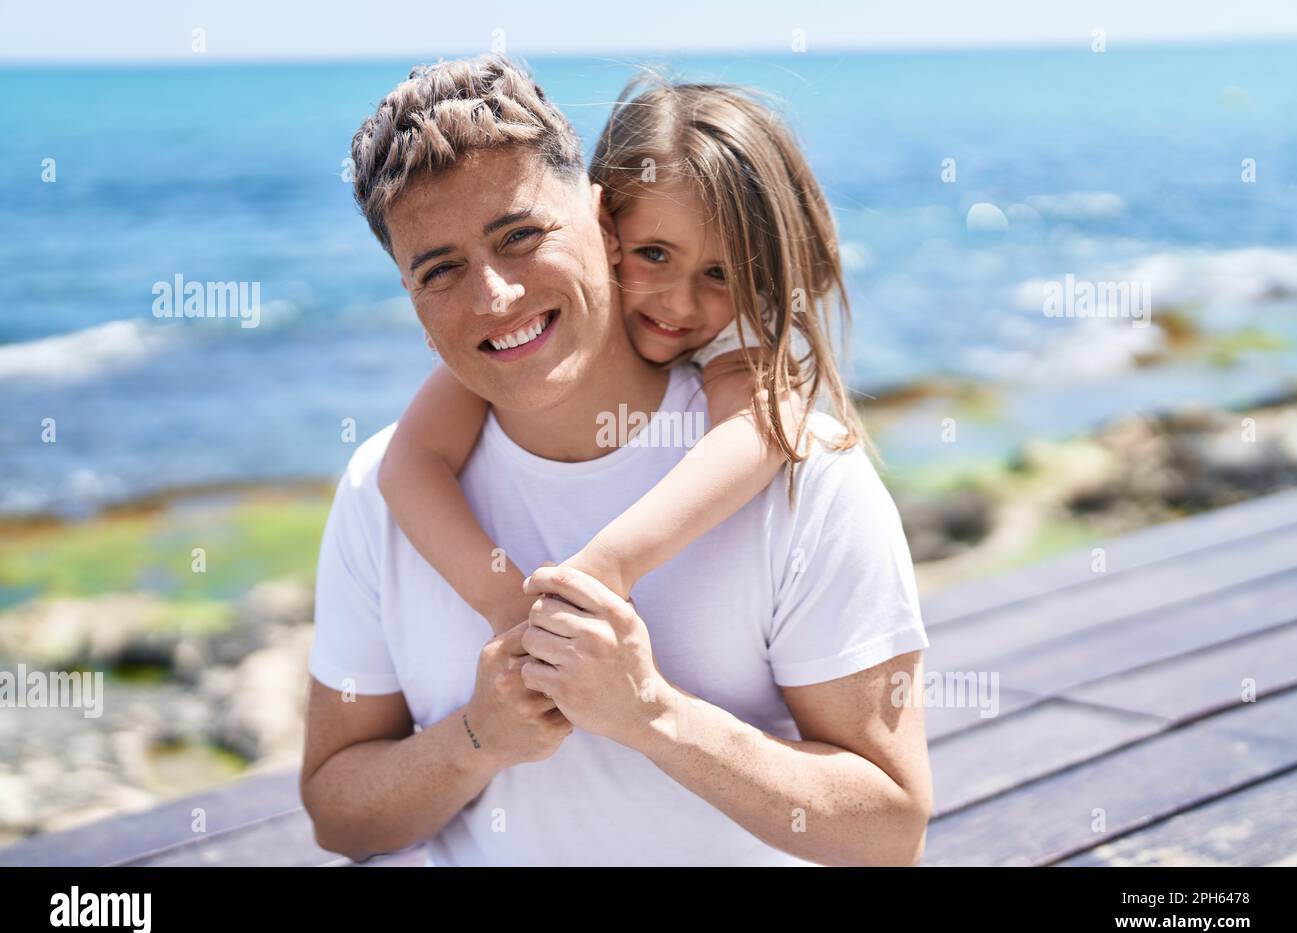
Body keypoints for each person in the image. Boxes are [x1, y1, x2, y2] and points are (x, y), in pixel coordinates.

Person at [301, 53, 933, 866]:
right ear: (412, 299)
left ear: (602, 223)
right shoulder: (379, 484)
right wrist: (476, 735)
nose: (493, 297)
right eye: (440, 270)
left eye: (521, 235)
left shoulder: (804, 473)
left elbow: (890, 832)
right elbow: (340, 822)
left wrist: (651, 714)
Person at [376, 74, 863, 633]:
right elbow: (409, 465)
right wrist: (507, 605)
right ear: (603, 228)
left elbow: (757, 436)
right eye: (653, 254)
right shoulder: (514, 345)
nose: (680, 303)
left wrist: (609, 565)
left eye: (720, 274)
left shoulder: (737, 339)